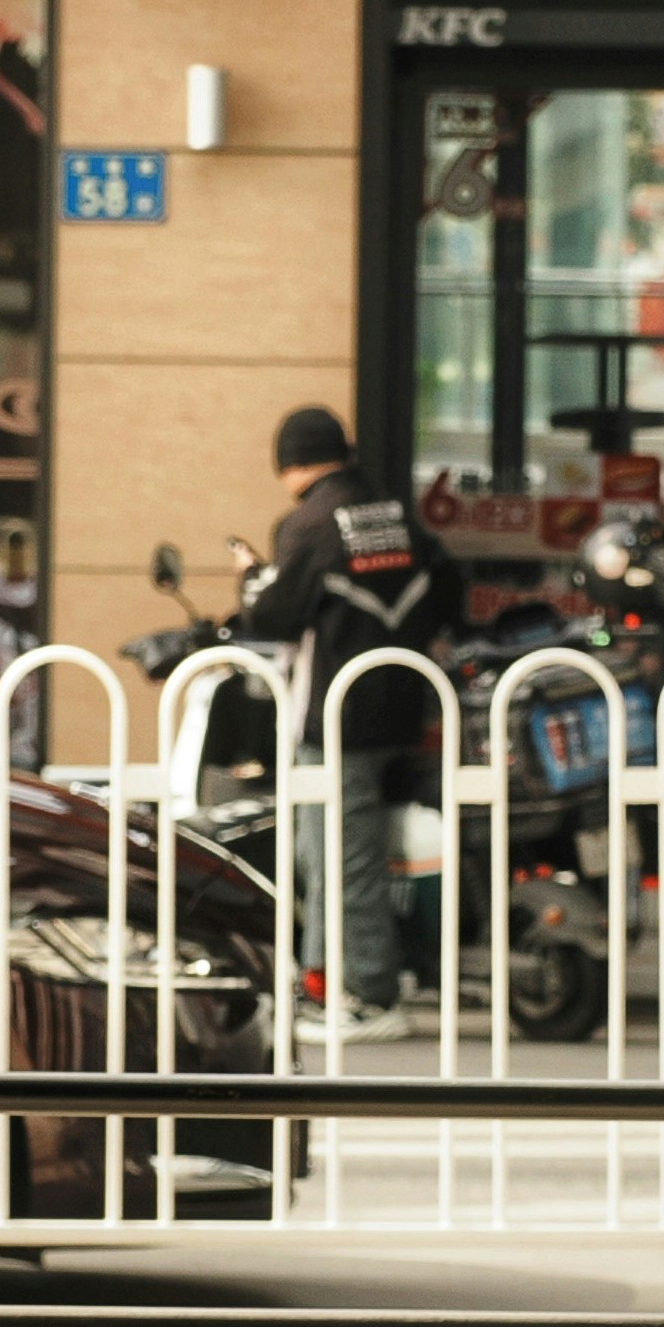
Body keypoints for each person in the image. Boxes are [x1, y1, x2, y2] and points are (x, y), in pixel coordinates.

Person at [229, 402, 463, 1033]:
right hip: (404, 705)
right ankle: (325, 980)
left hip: (338, 716)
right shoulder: (394, 516)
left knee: (338, 854)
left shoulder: (307, 525)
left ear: (291, 464)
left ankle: (364, 992)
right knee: (349, 849)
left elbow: (274, 617)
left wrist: (251, 580)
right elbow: (450, 595)